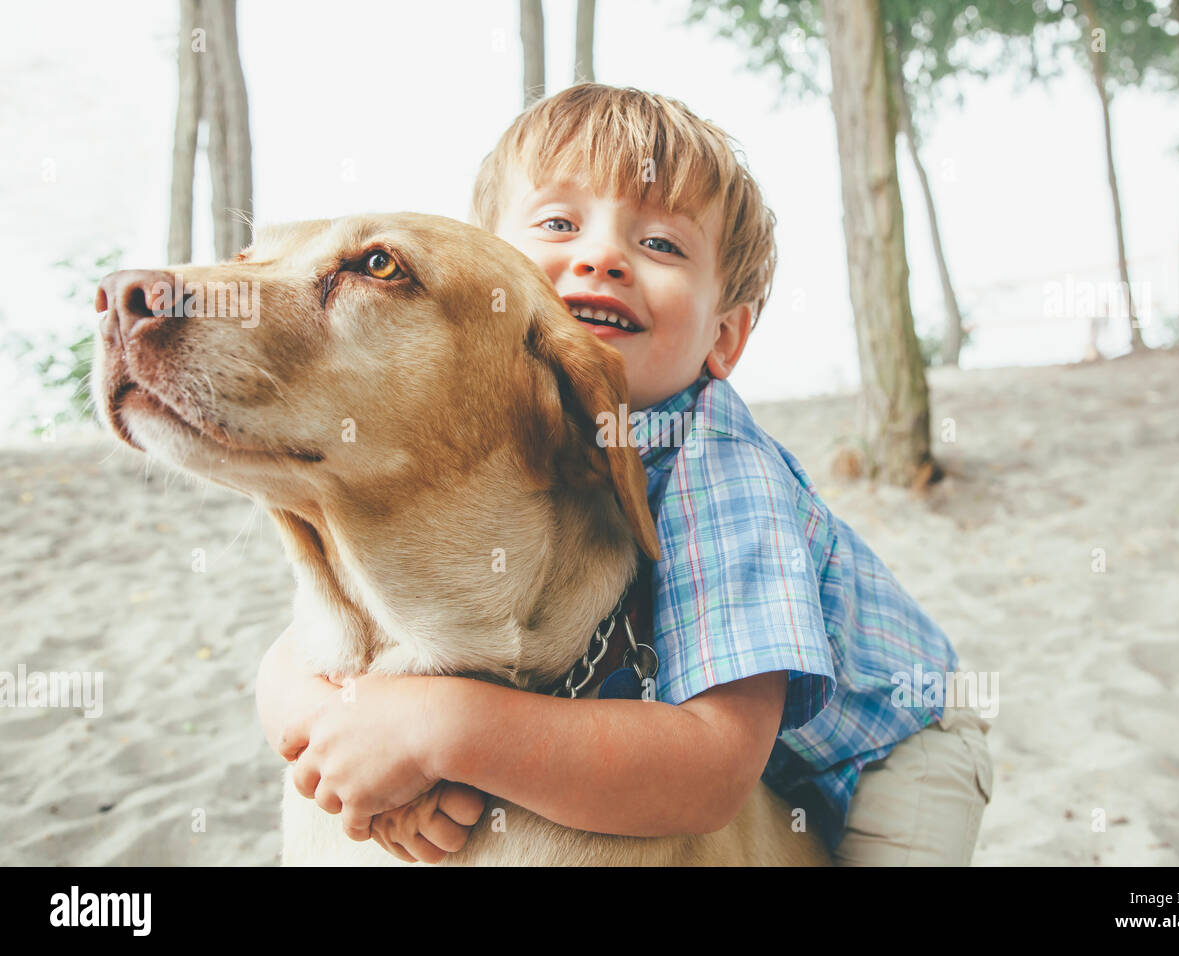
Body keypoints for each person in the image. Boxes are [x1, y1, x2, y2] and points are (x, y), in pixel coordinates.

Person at [256, 83, 993, 866]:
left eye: (663, 246)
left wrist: (442, 727)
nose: (601, 257)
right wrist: (345, 733)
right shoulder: (508, 435)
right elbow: (298, 652)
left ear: (725, 336)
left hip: (888, 747)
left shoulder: (723, 474)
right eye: (558, 224)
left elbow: (711, 768)